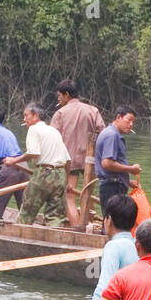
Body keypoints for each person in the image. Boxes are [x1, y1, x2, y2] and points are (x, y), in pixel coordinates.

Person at [3, 103, 71, 226]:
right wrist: (68, 181)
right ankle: (55, 237)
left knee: (28, 209)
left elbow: (33, 153)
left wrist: (13, 161)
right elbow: (67, 160)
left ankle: (21, 234)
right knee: (56, 214)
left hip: (45, 173)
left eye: (26, 115)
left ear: (36, 116)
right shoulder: (54, 131)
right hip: (61, 174)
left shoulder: (34, 129)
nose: (24, 119)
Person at [51, 79, 106, 226]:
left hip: (70, 161)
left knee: (69, 195)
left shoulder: (60, 114)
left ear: (66, 95)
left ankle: (77, 229)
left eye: (59, 96)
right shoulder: (92, 110)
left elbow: (52, 139)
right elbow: (103, 133)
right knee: (87, 194)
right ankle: (90, 225)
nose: (59, 99)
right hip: (91, 159)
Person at [94, 106, 140, 217]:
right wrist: (131, 169)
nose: (131, 124)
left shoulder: (110, 133)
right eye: (128, 120)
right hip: (112, 187)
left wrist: (128, 182)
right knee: (113, 223)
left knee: (112, 221)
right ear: (118, 117)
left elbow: (111, 166)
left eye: (133, 122)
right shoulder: (112, 135)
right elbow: (107, 163)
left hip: (112, 184)